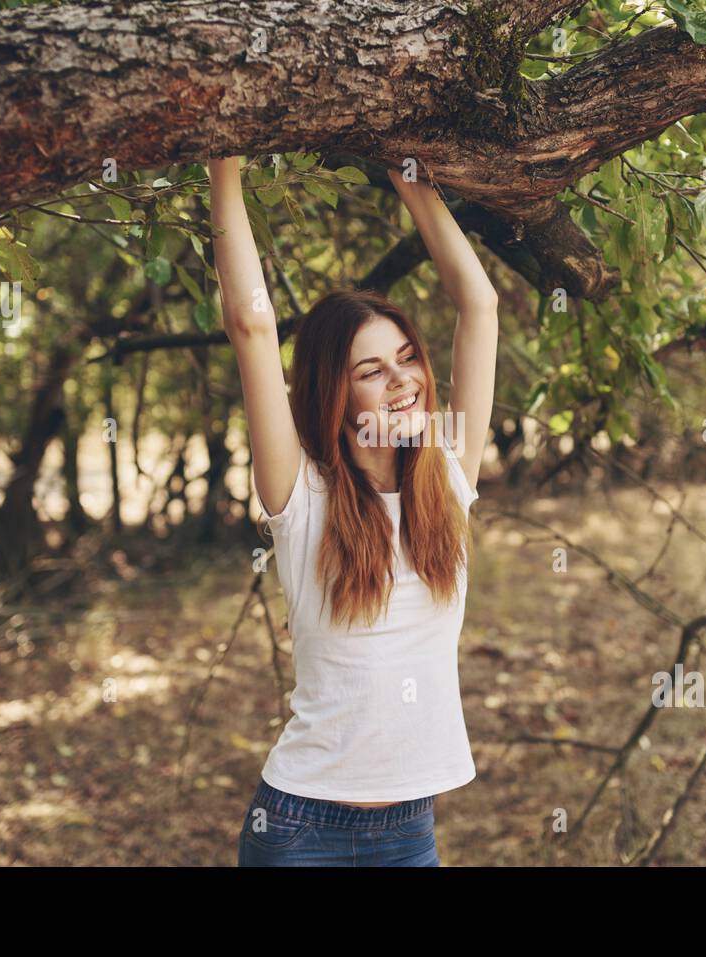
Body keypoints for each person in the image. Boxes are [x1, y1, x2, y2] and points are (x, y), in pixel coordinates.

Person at [208, 154, 498, 865]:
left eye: (407, 358)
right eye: (371, 370)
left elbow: (480, 306)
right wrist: (224, 170)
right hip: (301, 828)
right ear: (335, 394)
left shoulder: (450, 480)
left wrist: (412, 180)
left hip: (408, 829)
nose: (402, 381)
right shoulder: (302, 496)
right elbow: (251, 322)